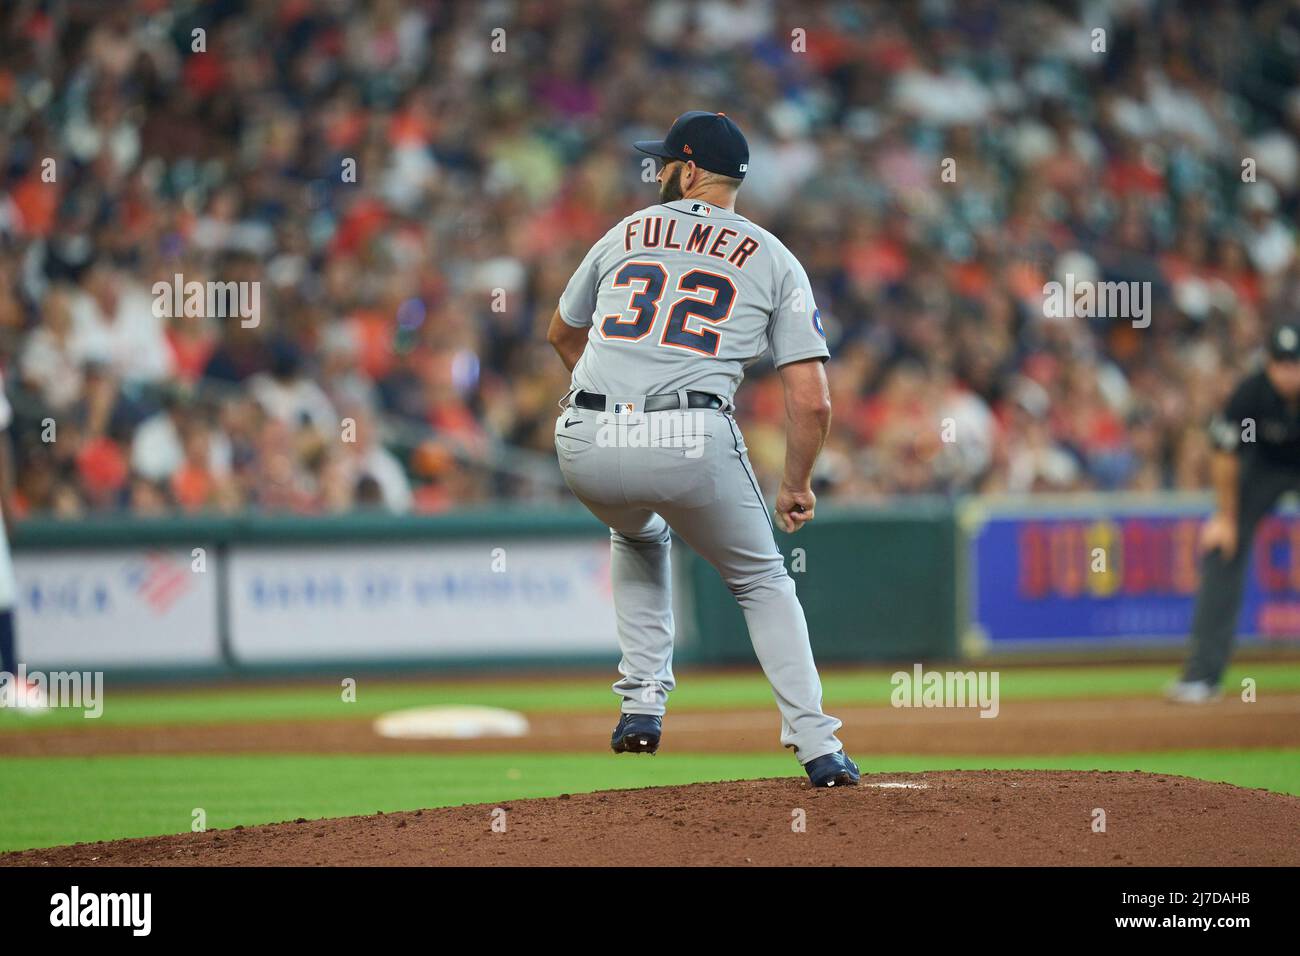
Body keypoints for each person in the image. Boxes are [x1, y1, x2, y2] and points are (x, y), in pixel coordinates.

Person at [546, 111, 858, 786]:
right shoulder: (774, 257)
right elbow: (812, 400)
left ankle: (640, 706)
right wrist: (797, 484)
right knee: (761, 581)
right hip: (688, 434)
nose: (657, 172)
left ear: (688, 171)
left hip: (586, 438)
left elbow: (561, 334)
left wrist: (608, 398)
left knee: (635, 535)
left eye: (664, 162)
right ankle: (818, 747)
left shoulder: (625, 230)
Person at [1170, 323, 1300, 703]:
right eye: (1282, 363)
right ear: (1269, 364)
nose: (1289, 373)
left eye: (1296, 364)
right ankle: (1202, 676)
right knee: (1221, 547)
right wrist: (1225, 517)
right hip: (1262, 468)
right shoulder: (1251, 395)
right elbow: (1226, 454)